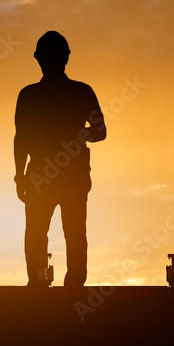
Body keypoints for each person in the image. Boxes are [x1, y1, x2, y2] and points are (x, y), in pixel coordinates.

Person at [14, 31, 105, 287]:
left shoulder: (30, 95)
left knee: (46, 234)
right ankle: (65, 285)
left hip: (51, 176)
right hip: (61, 176)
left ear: (37, 58)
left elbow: (21, 139)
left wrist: (20, 175)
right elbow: (100, 131)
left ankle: (48, 284)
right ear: (66, 57)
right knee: (67, 233)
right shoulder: (79, 92)